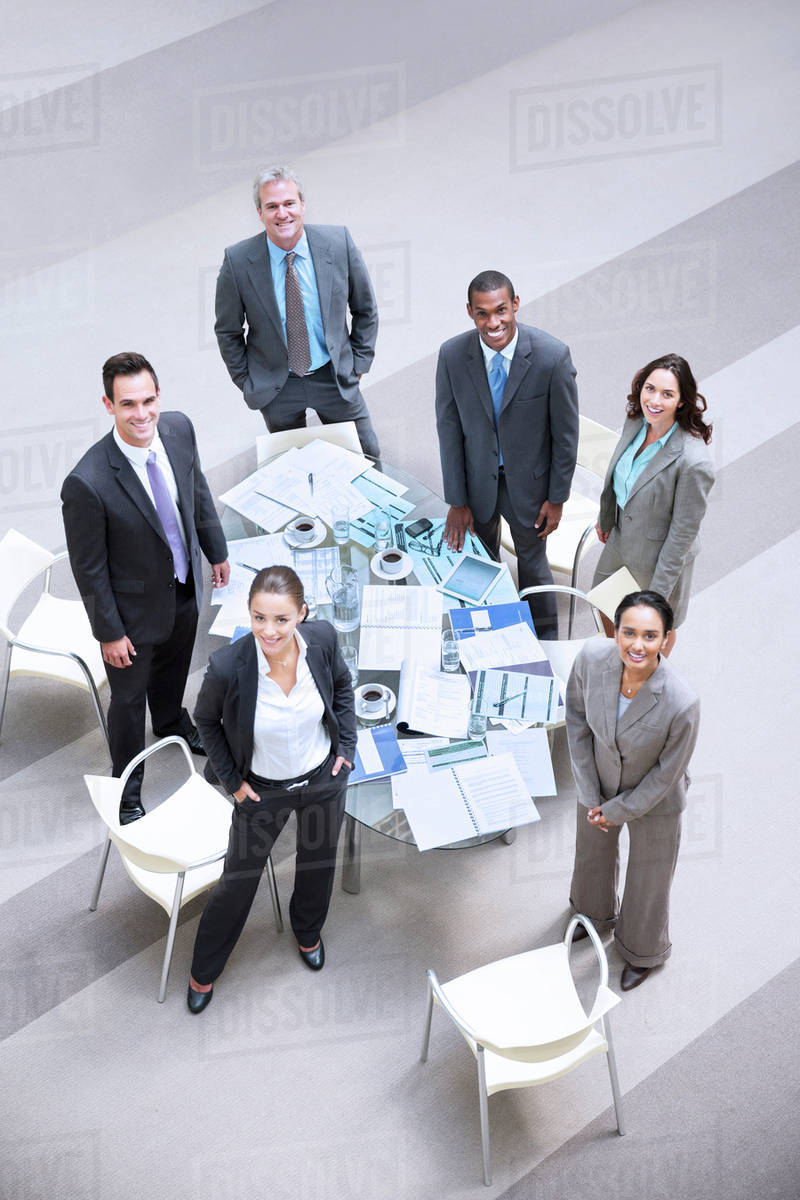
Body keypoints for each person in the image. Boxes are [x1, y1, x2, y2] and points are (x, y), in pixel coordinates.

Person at [61, 352, 229, 824]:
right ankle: (127, 787)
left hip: (182, 586)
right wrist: (109, 633)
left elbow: (196, 494)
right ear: (108, 405)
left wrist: (215, 550)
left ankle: (173, 721)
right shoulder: (87, 482)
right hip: (129, 615)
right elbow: (89, 569)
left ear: (160, 396)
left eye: (149, 400)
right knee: (129, 703)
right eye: (128, 403)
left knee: (175, 666)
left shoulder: (178, 429)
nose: (142, 414)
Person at [187, 566, 356, 1013]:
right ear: (250, 614)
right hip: (261, 790)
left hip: (321, 779)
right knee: (238, 882)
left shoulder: (322, 640)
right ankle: (204, 970)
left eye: (281, 619)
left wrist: (346, 747)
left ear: (301, 614)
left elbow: (341, 686)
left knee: (318, 864)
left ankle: (307, 933)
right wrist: (234, 784)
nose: (269, 630)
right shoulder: (228, 666)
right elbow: (206, 722)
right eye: (260, 617)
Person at [566, 591, 700, 991]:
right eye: (628, 632)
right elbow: (576, 721)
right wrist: (591, 794)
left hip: (655, 801)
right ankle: (591, 917)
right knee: (591, 856)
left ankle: (643, 951)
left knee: (649, 878)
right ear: (615, 631)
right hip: (597, 785)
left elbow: (665, 776)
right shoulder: (591, 658)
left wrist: (619, 810)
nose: (636, 645)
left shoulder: (682, 702)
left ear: (666, 640)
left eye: (649, 635)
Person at [435, 269, 579, 637]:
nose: (493, 322)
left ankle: (545, 641)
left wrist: (557, 497)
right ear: (470, 311)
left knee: (532, 565)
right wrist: (456, 499)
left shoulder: (552, 357)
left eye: (501, 310)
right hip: (476, 483)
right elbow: (448, 430)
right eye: (482, 313)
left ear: (515, 304)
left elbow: (566, 436)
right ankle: (493, 635)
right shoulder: (452, 356)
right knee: (483, 561)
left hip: (531, 489)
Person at [214, 164, 381, 460]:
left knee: (365, 456)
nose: (282, 213)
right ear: (260, 212)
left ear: (302, 205)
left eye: (289, 203)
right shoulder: (238, 261)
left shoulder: (338, 242)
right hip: (278, 386)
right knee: (292, 469)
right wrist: (248, 380)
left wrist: (358, 364)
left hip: (335, 377)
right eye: (272, 206)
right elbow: (228, 331)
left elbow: (365, 308)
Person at [593, 353, 714, 653]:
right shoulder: (636, 420)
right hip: (621, 538)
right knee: (602, 602)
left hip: (660, 555)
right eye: (650, 388)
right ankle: (617, 661)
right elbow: (617, 475)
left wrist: (658, 595)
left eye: (667, 394)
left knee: (654, 629)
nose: (654, 400)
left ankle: (650, 680)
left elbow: (681, 536)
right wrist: (607, 517)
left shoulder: (694, 462)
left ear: (682, 400)